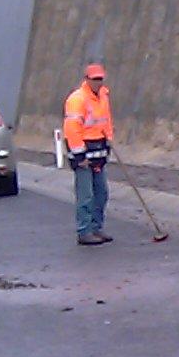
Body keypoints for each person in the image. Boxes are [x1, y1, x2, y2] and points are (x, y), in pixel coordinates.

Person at [62, 62, 114, 246]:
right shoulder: (77, 99)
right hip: (83, 154)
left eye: (100, 79)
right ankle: (84, 231)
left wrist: (109, 140)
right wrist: (79, 156)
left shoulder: (103, 96)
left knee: (101, 193)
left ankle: (96, 228)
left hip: (98, 152)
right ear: (86, 79)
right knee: (86, 195)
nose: (98, 82)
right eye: (95, 79)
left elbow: (105, 121)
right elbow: (72, 129)